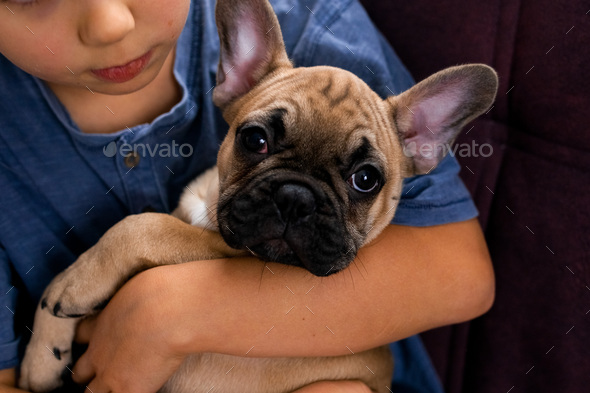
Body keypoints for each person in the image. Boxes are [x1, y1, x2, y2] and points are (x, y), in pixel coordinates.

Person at [0, 0, 495, 392]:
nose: (108, 22)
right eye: (259, 143)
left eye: (363, 180)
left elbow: (463, 276)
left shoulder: (314, 21)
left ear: (422, 143)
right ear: (235, 78)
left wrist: (169, 307)